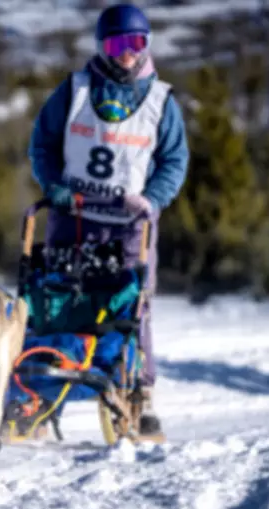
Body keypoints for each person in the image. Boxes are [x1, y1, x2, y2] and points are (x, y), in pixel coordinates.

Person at [26, 3, 189, 438]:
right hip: (74, 216)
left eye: (136, 43)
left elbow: (174, 160)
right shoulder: (74, 90)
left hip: (130, 223)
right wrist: (53, 186)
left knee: (133, 306)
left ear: (147, 44)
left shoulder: (161, 101)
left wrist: (152, 199)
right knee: (61, 302)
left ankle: (139, 392)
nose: (127, 53)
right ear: (102, 47)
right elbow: (42, 144)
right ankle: (42, 389)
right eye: (118, 45)